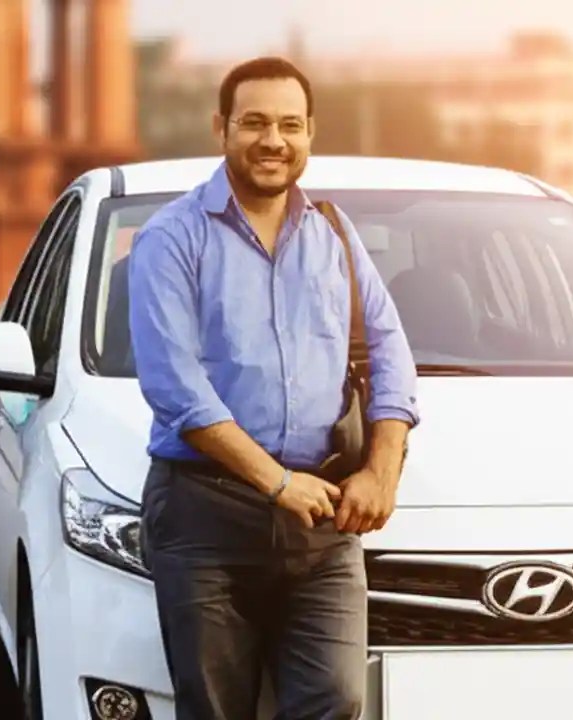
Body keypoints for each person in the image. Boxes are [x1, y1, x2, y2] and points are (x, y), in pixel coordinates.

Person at [127, 56, 420, 720]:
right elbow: (177, 389)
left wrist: (381, 469)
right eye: (254, 122)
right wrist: (277, 483)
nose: (273, 140)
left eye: (290, 125)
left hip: (324, 520)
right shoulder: (171, 239)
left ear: (310, 133)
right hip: (205, 517)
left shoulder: (336, 238)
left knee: (335, 699)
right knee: (216, 707)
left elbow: (390, 354)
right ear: (221, 128)